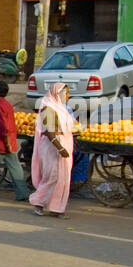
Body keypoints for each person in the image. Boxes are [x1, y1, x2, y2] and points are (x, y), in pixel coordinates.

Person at [30, 81, 76, 218]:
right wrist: (60, 147)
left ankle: (57, 208)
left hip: (63, 144)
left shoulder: (61, 108)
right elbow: (50, 131)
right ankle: (38, 202)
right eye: (66, 93)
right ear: (58, 93)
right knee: (52, 176)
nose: (68, 96)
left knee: (63, 178)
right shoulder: (48, 108)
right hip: (52, 147)